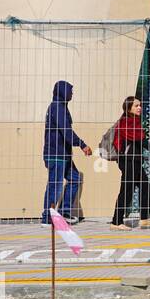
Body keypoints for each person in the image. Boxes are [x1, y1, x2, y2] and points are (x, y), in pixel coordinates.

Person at [109, 96, 150, 229]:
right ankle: (116, 222)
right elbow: (141, 141)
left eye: (140, 105)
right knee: (126, 192)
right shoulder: (126, 122)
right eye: (136, 106)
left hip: (135, 161)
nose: (139, 107)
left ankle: (144, 219)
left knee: (145, 185)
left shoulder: (134, 121)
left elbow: (140, 140)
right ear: (128, 108)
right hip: (128, 161)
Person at [42, 80, 92, 225]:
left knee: (75, 178)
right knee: (55, 185)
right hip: (56, 155)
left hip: (63, 155)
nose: (72, 93)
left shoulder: (61, 107)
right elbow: (66, 131)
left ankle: (64, 212)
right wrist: (81, 144)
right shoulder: (57, 108)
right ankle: (47, 217)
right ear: (63, 91)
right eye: (70, 91)